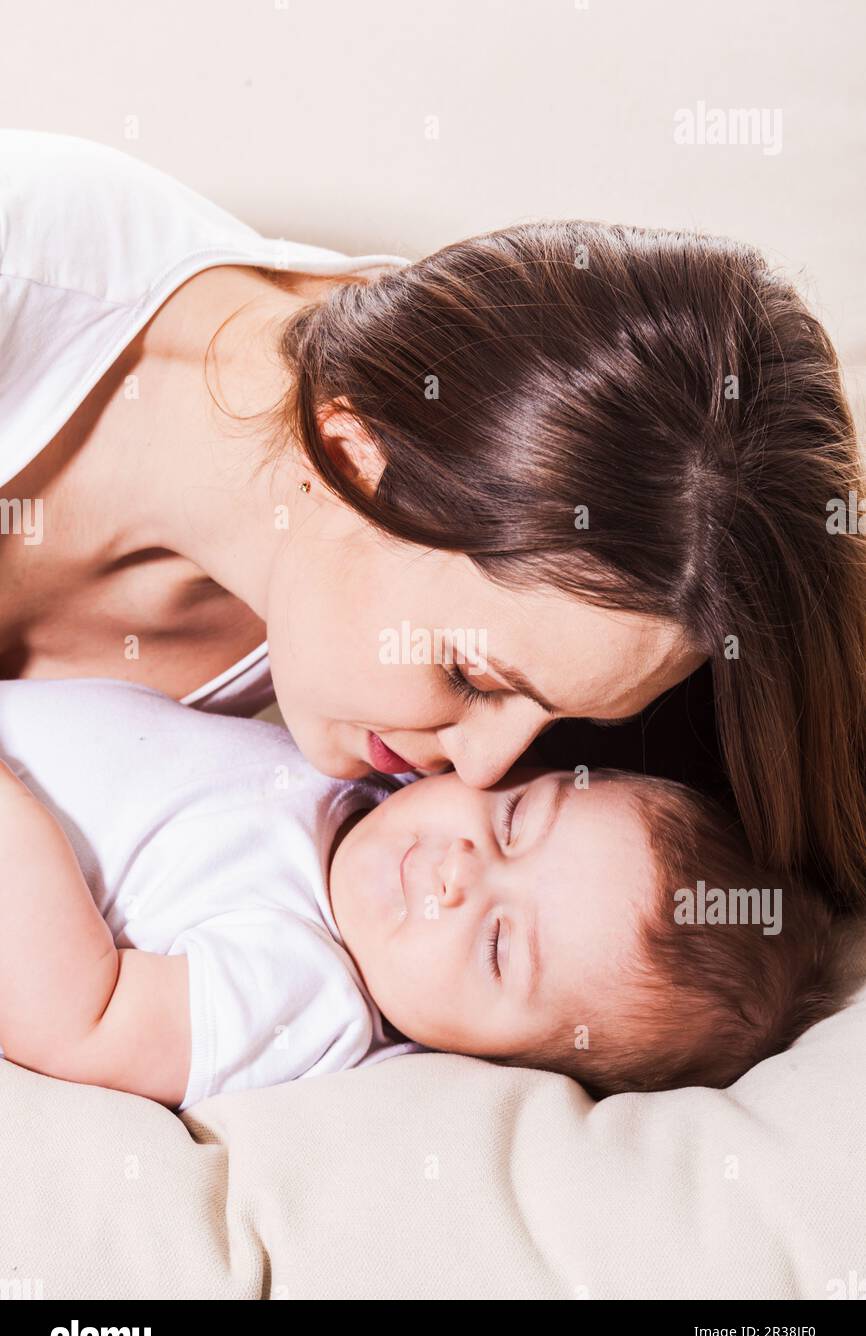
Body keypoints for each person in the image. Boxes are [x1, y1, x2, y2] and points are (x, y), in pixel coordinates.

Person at [2, 131, 864, 905]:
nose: (487, 771)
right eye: (471, 678)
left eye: (562, 725)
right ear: (348, 458)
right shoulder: (28, 272)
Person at [0, 678, 848, 1110]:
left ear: (485, 1062)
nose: (459, 869)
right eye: (515, 821)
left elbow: (84, 1016)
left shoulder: (303, 990)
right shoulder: (368, 779)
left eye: (498, 945)